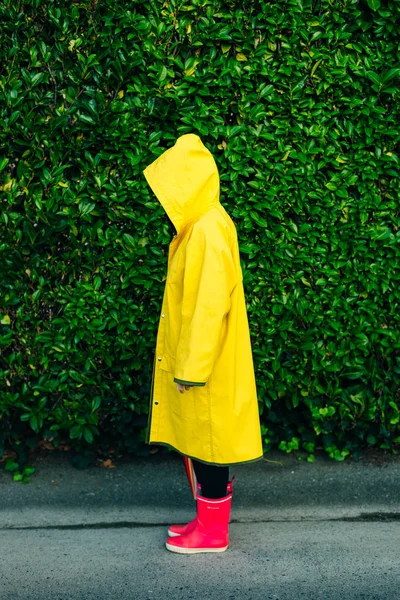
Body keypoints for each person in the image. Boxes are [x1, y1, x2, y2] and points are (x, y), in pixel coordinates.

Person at [143, 133, 263, 554]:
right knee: (204, 442)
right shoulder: (204, 224)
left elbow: (208, 307)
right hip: (210, 359)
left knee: (211, 444)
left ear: (186, 184)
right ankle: (205, 522)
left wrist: (190, 371)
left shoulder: (206, 230)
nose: (163, 199)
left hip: (207, 363)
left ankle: (213, 533)